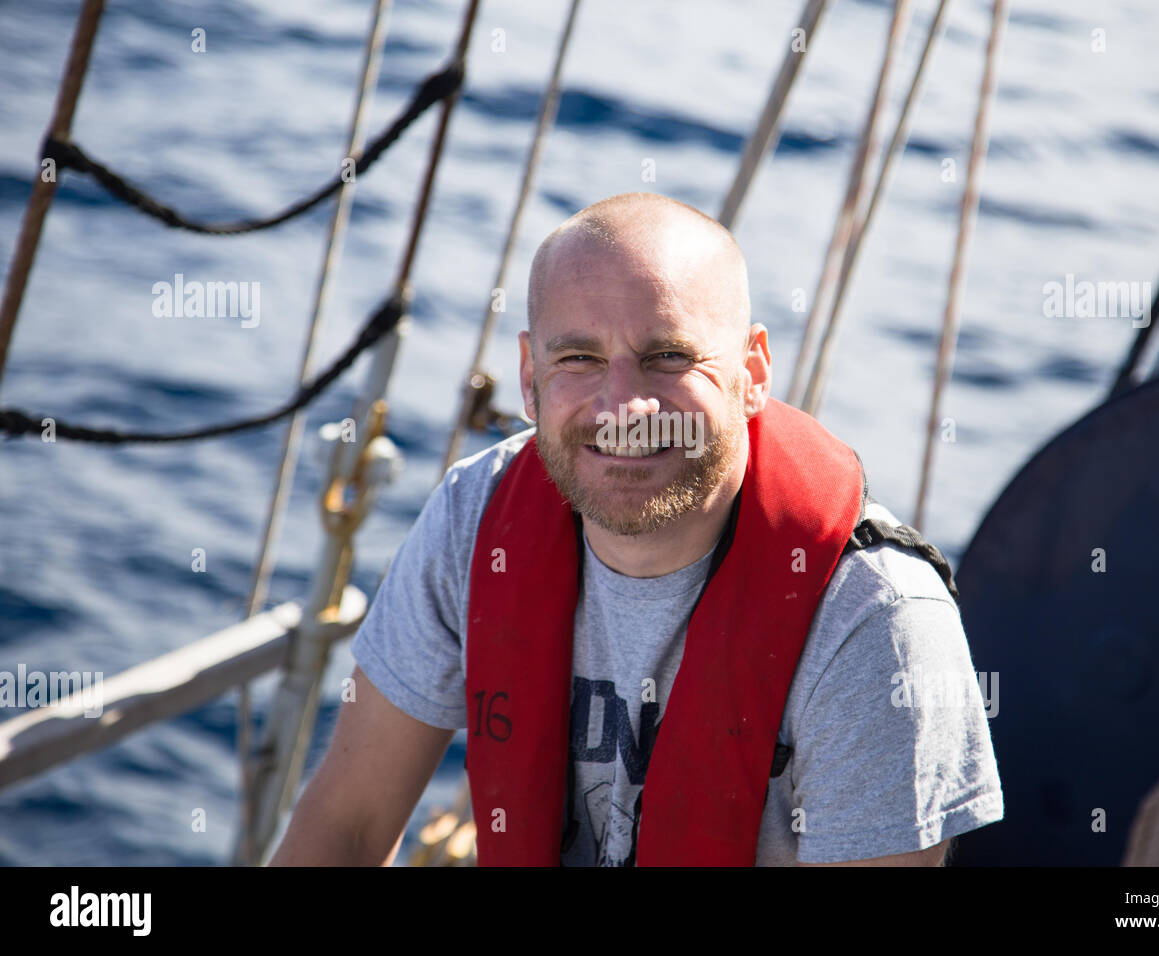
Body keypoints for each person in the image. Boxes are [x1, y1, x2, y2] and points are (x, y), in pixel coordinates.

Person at [269, 191, 1003, 867]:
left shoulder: (876, 625)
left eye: (668, 358)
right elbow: (348, 826)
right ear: (529, 378)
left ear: (753, 371)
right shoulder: (474, 522)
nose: (624, 406)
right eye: (580, 359)